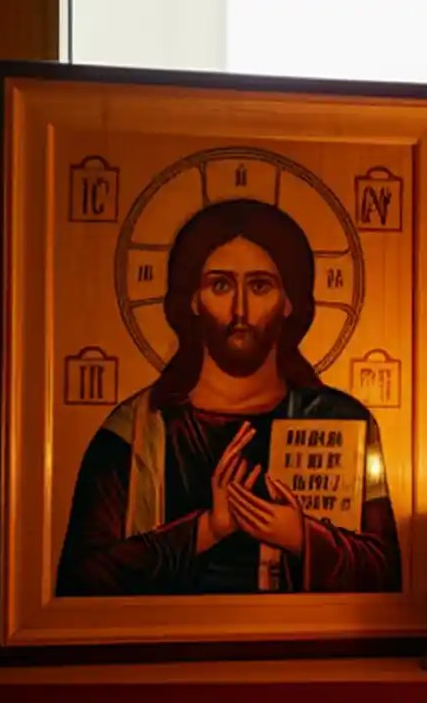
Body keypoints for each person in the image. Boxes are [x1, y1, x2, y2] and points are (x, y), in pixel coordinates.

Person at [56, 198, 401, 596]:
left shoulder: (341, 421)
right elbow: (82, 580)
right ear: (192, 299)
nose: (240, 310)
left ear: (289, 301)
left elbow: (385, 573)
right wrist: (208, 529)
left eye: (260, 286)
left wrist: (302, 537)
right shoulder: (135, 431)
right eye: (220, 285)